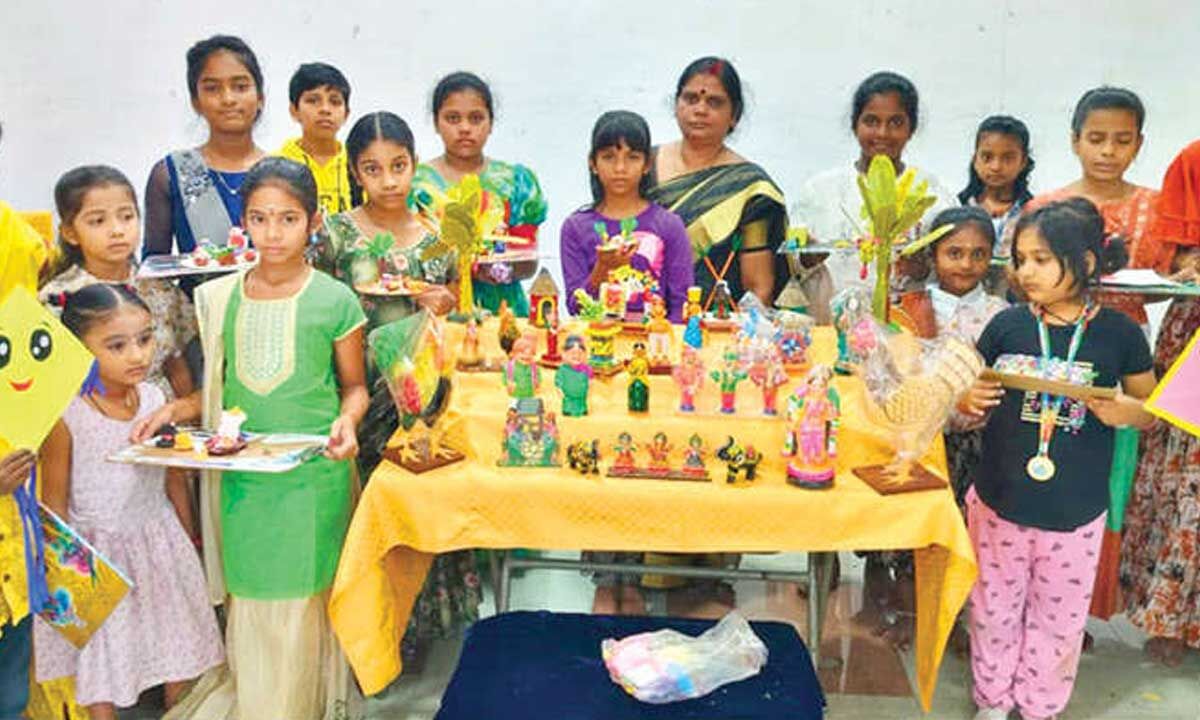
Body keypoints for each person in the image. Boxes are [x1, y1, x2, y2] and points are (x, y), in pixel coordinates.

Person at [145, 158, 368, 719]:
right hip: (244, 477)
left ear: (314, 221)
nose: (273, 233)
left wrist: (347, 423)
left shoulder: (335, 300)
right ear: (242, 223)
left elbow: (355, 388)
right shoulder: (222, 297)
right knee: (252, 592)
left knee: (307, 595)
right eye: (260, 218)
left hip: (314, 474)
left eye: (288, 218)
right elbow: (219, 391)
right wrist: (175, 409)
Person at [958, 199, 1156, 720]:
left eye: (1041, 259)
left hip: (1075, 511)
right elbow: (967, 392)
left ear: (1086, 262)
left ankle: (1040, 706)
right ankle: (993, 701)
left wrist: (1128, 412)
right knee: (992, 609)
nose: (1026, 271)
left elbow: (1151, 410)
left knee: (1059, 619)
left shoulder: (1120, 333)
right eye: (1020, 259)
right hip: (1000, 500)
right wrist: (968, 399)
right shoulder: (1005, 326)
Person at [34, 284, 223, 718]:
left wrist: (187, 537)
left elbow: (171, 478)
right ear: (79, 349)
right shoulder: (68, 414)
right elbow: (54, 502)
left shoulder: (155, 400)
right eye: (116, 346)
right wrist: (63, 575)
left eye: (145, 339)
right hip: (97, 555)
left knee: (177, 646)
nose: (137, 355)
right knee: (103, 660)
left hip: (159, 542)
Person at [1120, 139, 1200, 668]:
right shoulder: (1193, 161)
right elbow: (1169, 262)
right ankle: (1170, 619)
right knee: (1185, 477)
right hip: (1195, 335)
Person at [40, 165, 196, 401]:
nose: (116, 231)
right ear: (70, 233)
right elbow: (53, 380)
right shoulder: (57, 297)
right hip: (94, 411)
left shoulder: (159, 287)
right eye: (98, 221)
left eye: (127, 217)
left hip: (160, 412)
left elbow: (175, 364)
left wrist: (186, 414)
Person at [793, 70, 954, 294]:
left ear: (911, 129)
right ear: (855, 125)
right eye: (871, 121)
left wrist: (923, 269)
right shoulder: (820, 191)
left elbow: (955, 270)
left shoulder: (932, 194)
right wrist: (806, 259)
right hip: (829, 312)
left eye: (896, 122)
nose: (882, 133)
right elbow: (790, 264)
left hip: (906, 314)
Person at [647, 57, 789, 307]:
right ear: (676, 105)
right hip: (637, 316)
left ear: (734, 115)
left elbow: (759, 287)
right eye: (691, 99)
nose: (700, 110)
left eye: (714, 102)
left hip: (716, 322)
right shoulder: (641, 164)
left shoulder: (750, 188)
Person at [409, 71, 546, 315]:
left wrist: (496, 271)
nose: (464, 128)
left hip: (503, 312)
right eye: (453, 118)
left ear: (490, 123)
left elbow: (528, 261)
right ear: (436, 123)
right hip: (437, 309)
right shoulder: (417, 185)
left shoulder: (515, 183)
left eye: (476, 118)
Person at [560, 110, 694, 321]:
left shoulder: (669, 226)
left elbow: (682, 305)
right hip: (598, 339)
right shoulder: (575, 227)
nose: (620, 168)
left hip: (655, 339)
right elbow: (575, 308)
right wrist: (602, 268)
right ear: (593, 163)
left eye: (632, 157)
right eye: (608, 157)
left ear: (647, 164)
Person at [143, 35, 266, 262]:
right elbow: (154, 266)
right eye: (212, 89)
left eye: (240, 87)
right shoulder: (170, 173)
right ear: (195, 102)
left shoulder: (282, 172)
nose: (228, 99)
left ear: (260, 97)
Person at [277, 62, 352, 216]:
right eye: (313, 100)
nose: (325, 109)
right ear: (294, 110)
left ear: (346, 114)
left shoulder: (358, 165)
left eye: (335, 102)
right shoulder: (276, 165)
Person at [957, 115, 1035, 258]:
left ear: (1023, 162)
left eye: (1007, 158)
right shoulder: (957, 208)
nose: (996, 167)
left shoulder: (1034, 213)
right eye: (987, 157)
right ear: (975, 159)